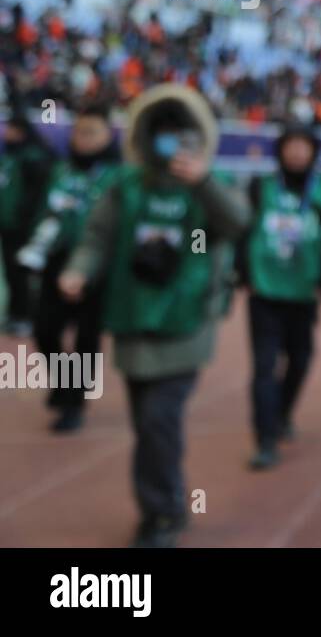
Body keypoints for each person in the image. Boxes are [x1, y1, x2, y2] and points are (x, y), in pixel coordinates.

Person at [59, 84, 250, 548]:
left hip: (186, 324)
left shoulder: (212, 183)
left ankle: (162, 514)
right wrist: (78, 270)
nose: (171, 144)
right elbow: (97, 237)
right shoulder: (124, 185)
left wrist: (202, 181)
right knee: (147, 422)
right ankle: (166, 501)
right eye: (162, 134)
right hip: (133, 318)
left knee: (159, 420)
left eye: (181, 134)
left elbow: (239, 222)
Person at [240, 122, 321, 470]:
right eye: (290, 145)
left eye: (304, 146)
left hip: (303, 292)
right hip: (264, 292)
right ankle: (265, 438)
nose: (297, 152)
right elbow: (242, 230)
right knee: (263, 367)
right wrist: (244, 274)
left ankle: (281, 413)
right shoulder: (260, 187)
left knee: (300, 360)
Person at [20, 103, 121, 432]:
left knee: (86, 338)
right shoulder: (59, 170)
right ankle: (64, 385)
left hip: (99, 268)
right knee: (45, 330)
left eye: (92, 132)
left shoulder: (119, 177)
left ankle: (74, 401)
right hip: (56, 261)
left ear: (108, 136)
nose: (84, 139)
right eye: (79, 131)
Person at [0, 109, 53, 336]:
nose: (6, 133)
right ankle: (15, 314)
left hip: (22, 226)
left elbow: (35, 194)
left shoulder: (33, 157)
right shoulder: (11, 156)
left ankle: (24, 316)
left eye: (11, 129)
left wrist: (26, 219)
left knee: (21, 273)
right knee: (11, 272)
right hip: (8, 224)